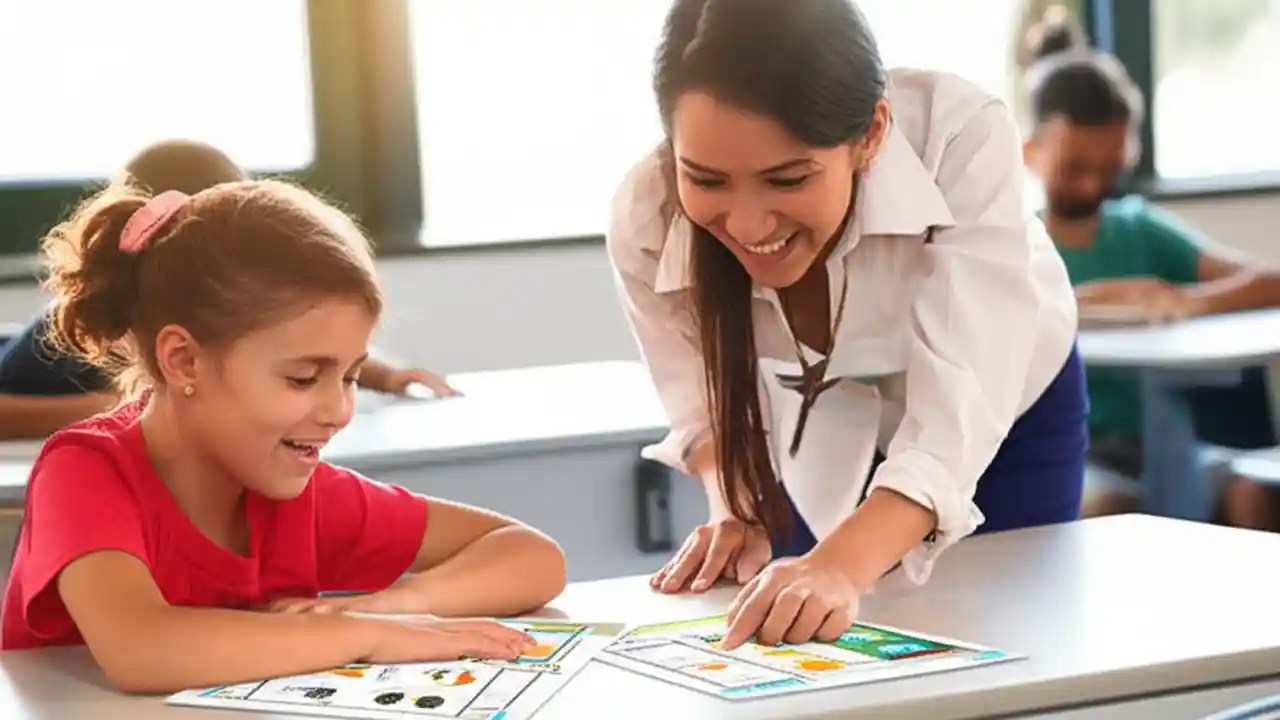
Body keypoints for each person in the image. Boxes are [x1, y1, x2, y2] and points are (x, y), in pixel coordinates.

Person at [607, 0, 1085, 650]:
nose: (748, 225)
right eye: (707, 179)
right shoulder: (647, 215)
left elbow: (956, 418)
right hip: (819, 424)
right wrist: (736, 508)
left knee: (1006, 643)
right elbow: (704, 406)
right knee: (812, 643)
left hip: (1006, 409)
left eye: (787, 179)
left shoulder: (959, 135)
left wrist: (838, 564)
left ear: (872, 133)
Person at [0, 178, 567, 693]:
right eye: (303, 377)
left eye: (349, 376)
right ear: (184, 361)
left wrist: (401, 603)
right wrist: (366, 634)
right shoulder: (85, 471)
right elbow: (143, 649)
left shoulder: (297, 492)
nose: (340, 410)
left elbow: (533, 557)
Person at [0, 139, 458, 441]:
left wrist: (386, 376)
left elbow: (293, 341)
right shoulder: (82, 325)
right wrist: (118, 406)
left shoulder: (222, 302)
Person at [1020, 15, 1280, 529]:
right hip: (1080, 456)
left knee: (1252, 495)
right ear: (1032, 153)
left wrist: (1188, 300)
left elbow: (1267, 279)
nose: (1094, 181)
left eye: (1109, 165)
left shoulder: (1139, 229)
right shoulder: (1021, 247)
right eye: (1076, 167)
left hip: (1170, 446)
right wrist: (1105, 299)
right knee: (1105, 509)